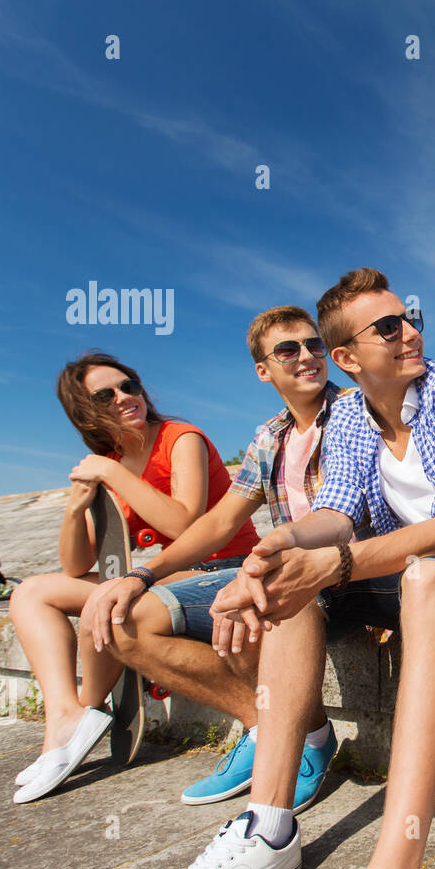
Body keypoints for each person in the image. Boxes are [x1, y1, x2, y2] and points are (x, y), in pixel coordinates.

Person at [170, 268, 435, 869]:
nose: (410, 334)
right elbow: (338, 511)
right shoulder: (347, 419)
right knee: (293, 592)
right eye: (389, 327)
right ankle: (269, 826)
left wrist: (338, 565)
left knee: (420, 576)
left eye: (411, 320)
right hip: (422, 568)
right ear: (347, 357)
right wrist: (277, 547)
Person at [82, 307, 352, 813]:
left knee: (252, 600)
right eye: (288, 350)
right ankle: (272, 727)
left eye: (314, 345)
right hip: (282, 568)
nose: (308, 357)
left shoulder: (356, 414)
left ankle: (305, 745)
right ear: (263, 370)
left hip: (346, 570)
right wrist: (142, 574)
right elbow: (217, 523)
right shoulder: (269, 437)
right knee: (125, 622)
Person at [9, 352, 258, 804]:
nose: (126, 397)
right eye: (107, 394)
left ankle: (83, 712)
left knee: (106, 597)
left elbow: (187, 525)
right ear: (86, 411)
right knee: (31, 592)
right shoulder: (111, 461)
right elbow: (73, 563)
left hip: (221, 565)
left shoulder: (180, 439)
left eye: (130, 386)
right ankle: (66, 714)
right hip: (166, 571)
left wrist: (108, 472)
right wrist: (76, 505)